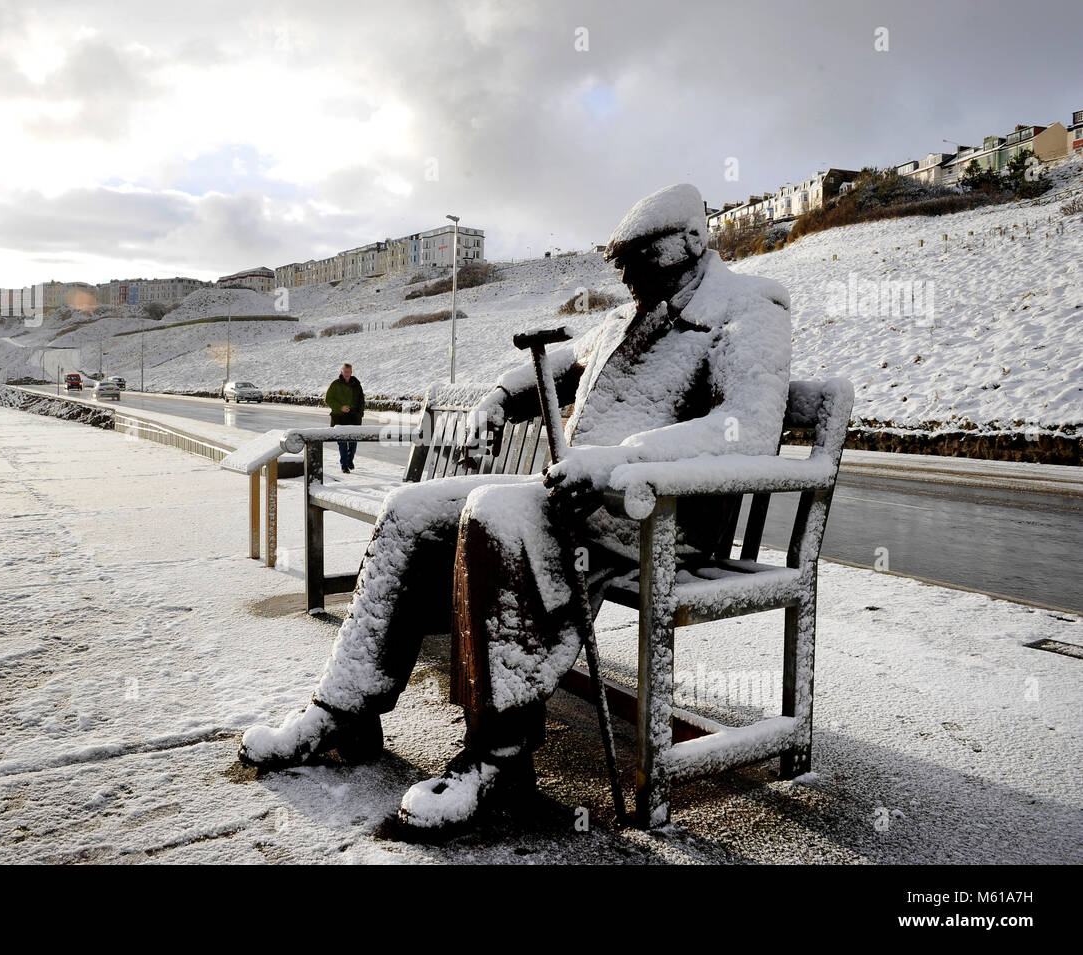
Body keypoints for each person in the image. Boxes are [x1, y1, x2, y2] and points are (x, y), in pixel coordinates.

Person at [240, 184, 792, 835]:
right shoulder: (631, 313)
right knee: (411, 508)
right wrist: (501, 397)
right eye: (621, 263)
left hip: (658, 515)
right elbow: (562, 363)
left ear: (692, 240)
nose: (625, 275)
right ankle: (345, 704)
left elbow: (746, 429)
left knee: (498, 512)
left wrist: (619, 460)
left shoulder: (751, 305)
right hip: (577, 503)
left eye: (637, 258)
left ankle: (500, 757)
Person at [325, 363, 365, 473]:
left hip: (354, 418)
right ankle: (344, 465)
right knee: (342, 443)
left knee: (353, 442)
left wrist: (360, 414)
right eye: (345, 372)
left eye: (349, 372)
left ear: (351, 372)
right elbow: (328, 399)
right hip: (339, 418)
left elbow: (362, 401)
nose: (347, 374)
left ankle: (349, 460)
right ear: (341, 372)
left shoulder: (357, 385)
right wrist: (340, 408)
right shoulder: (335, 384)